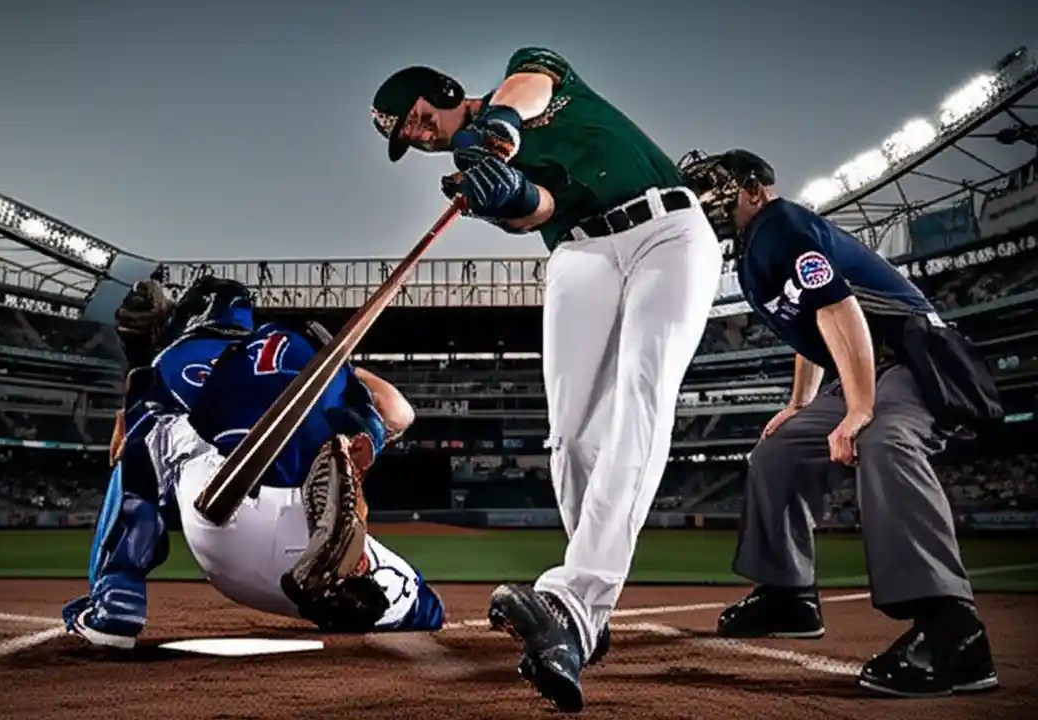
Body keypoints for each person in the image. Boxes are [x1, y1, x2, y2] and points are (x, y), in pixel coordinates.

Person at [371, 48, 722, 712]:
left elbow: (532, 87)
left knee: (641, 398)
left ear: (442, 90)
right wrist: (505, 194)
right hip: (580, 252)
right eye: (405, 137)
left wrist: (498, 132)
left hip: (666, 232)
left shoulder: (523, 86)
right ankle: (587, 614)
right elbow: (539, 208)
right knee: (573, 434)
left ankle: (575, 599)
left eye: (415, 117)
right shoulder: (472, 166)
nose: (417, 136)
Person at [680, 149, 1002, 699]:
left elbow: (839, 309)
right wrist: (802, 403)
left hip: (915, 354)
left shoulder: (781, 225)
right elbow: (811, 327)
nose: (709, 202)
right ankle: (789, 595)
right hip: (869, 363)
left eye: (719, 189)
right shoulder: (755, 245)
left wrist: (857, 410)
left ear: (755, 188)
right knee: (777, 452)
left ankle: (956, 634)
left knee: (884, 438)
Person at [62, 277, 444, 648]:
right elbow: (399, 414)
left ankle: (118, 594)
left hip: (217, 527)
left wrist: (139, 367)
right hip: (307, 535)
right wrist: (342, 367)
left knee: (154, 429)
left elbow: (120, 448)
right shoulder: (304, 351)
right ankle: (344, 580)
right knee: (427, 608)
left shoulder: (169, 360)